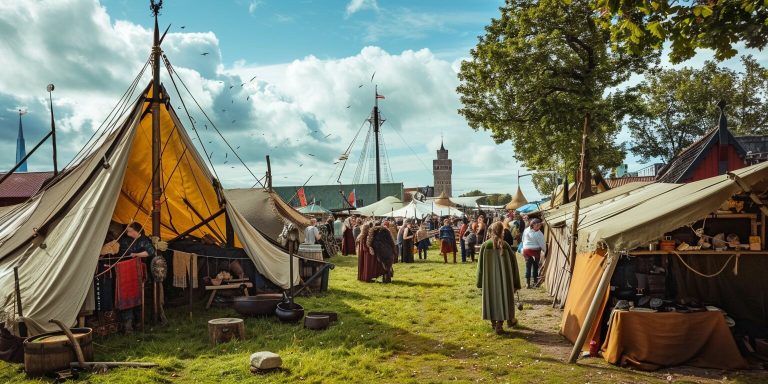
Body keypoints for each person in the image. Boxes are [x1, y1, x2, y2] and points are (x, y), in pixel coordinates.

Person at [477, 222, 521, 334]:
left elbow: (480, 267)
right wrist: (516, 283)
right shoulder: (506, 246)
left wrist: (480, 282)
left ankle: (494, 324)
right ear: (502, 232)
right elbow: (514, 266)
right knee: (504, 298)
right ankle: (499, 324)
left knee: (491, 299)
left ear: (491, 231)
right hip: (505, 281)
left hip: (489, 281)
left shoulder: (485, 245)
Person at [116, 222, 155, 333]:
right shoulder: (125, 240)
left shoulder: (143, 240)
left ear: (136, 231)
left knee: (138, 297)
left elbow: (150, 251)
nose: (127, 232)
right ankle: (128, 325)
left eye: (129, 230)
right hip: (125, 272)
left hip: (137, 272)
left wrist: (137, 255)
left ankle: (138, 323)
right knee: (127, 297)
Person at [522, 218, 546, 289]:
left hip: (526, 250)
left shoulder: (526, 230)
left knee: (528, 266)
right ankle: (534, 282)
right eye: (538, 225)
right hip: (535, 252)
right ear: (533, 225)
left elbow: (523, 239)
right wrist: (545, 251)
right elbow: (542, 244)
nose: (539, 226)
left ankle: (528, 283)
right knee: (535, 266)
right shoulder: (538, 233)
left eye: (540, 225)